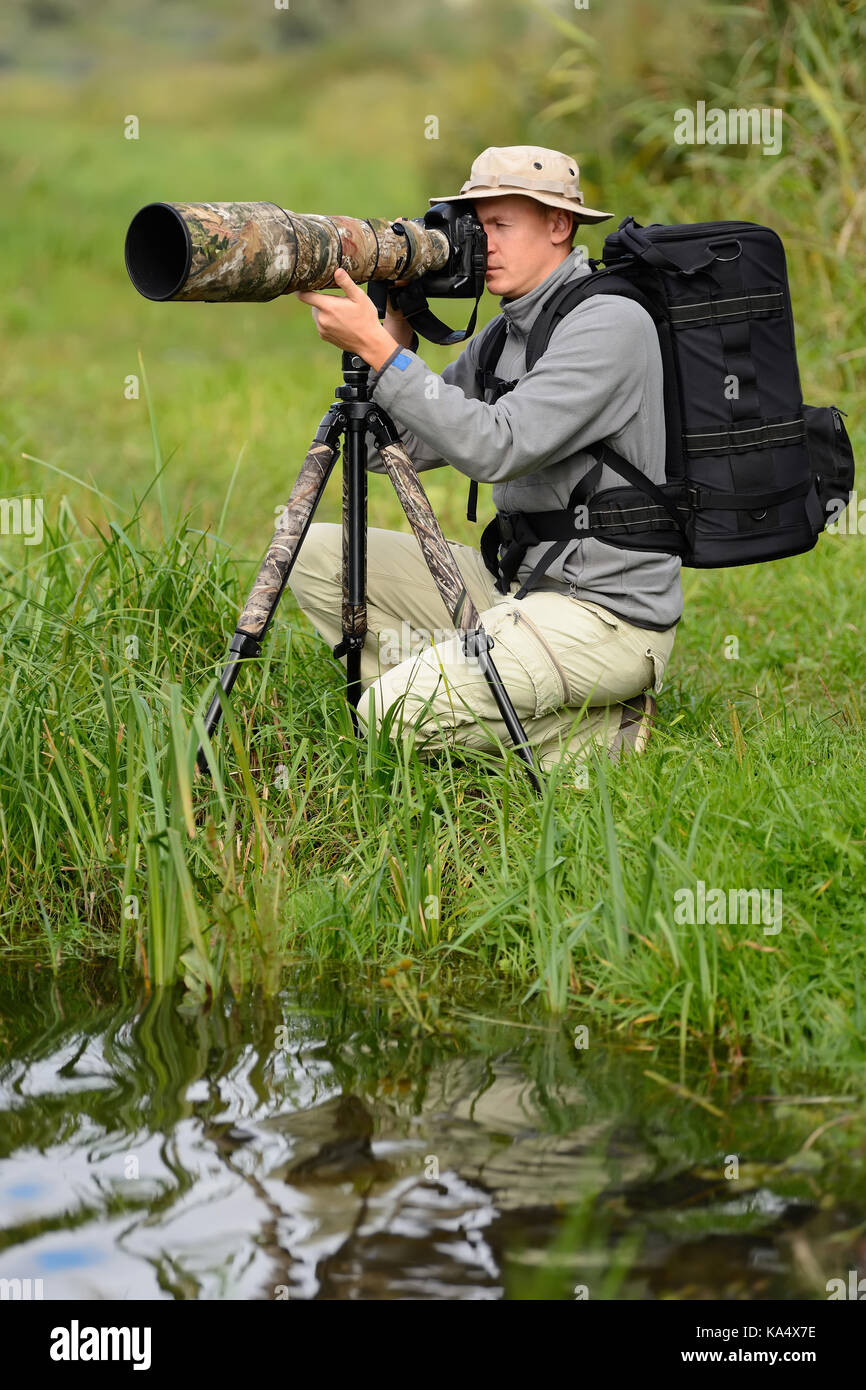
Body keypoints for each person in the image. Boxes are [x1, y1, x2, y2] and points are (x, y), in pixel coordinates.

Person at [290, 145, 683, 771]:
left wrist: (384, 358)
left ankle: (603, 736)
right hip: (519, 590)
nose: (484, 245)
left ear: (560, 226)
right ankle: (479, 696)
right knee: (314, 557)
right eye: (477, 227)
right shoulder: (506, 333)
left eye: (501, 226)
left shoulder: (610, 323)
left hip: (606, 617)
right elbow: (382, 448)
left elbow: (495, 446)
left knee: (388, 716)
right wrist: (391, 338)